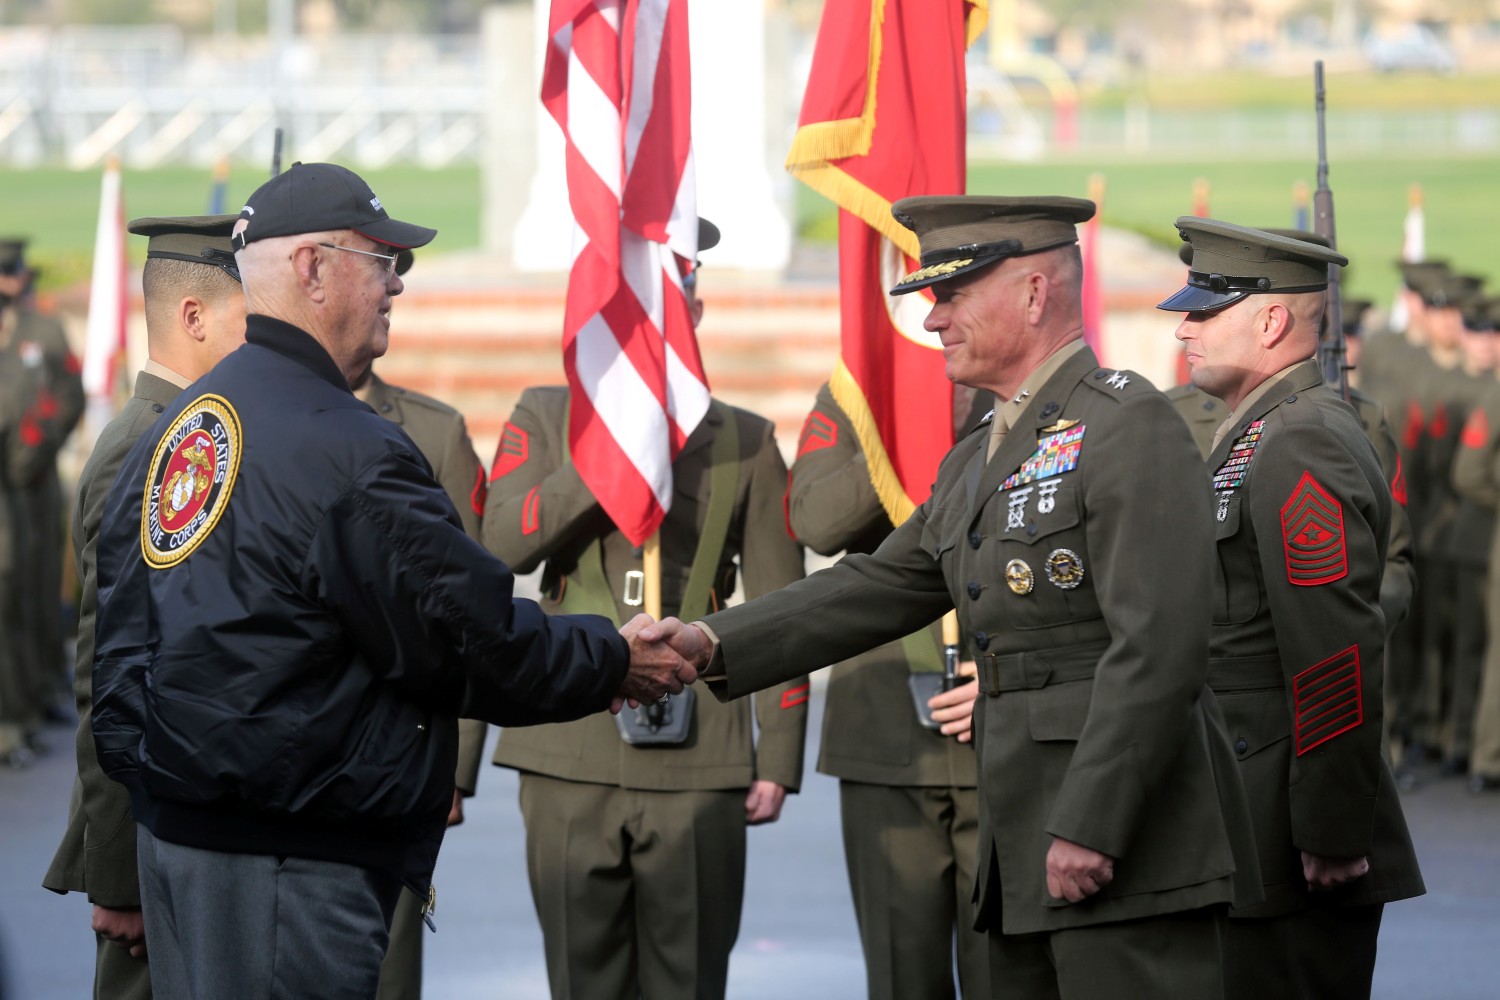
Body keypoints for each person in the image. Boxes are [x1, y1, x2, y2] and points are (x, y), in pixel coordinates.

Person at [88, 162, 692, 999]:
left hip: (185, 843)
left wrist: (158, 788)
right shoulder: (348, 446)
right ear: (312, 268)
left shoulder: (183, 424)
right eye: (382, 261)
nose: (395, 286)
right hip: (291, 863)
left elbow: (117, 640)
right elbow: (468, 640)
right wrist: (614, 661)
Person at [642, 195, 1258, 1000]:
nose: (932, 320)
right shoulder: (983, 452)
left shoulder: (1125, 424)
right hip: (1024, 841)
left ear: (1035, 294)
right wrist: (712, 642)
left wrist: (1092, 824)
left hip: (1119, 840)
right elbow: (886, 582)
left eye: (953, 294)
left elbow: (1158, 653)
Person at [482, 219, 809, 1000]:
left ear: (694, 313)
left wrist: (780, 754)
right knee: (581, 977)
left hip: (704, 751)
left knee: (688, 978)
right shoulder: (544, 415)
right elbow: (499, 549)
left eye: (671, 302)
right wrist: (608, 455)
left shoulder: (746, 441)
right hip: (569, 743)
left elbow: (783, 605)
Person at [1159, 217, 1425, 1000]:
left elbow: (1335, 650)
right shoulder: (1258, 430)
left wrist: (1332, 829)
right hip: (1250, 804)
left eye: (1204, 312)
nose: (1183, 329)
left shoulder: (1300, 439)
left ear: (1272, 320)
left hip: (1290, 830)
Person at [40, 215, 246, 999]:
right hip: (148, 840)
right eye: (250, 320)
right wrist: (119, 876)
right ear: (192, 318)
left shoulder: (192, 435)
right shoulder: (153, 446)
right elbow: (109, 674)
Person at [785, 382, 989, 1000]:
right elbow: (814, 522)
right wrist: (902, 428)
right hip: (886, 739)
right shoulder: (857, 393)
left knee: (1014, 977)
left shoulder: (1025, 388)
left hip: (1004, 733)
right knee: (904, 978)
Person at [355, 251, 490, 1000]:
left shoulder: (435, 435)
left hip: (398, 758)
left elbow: (468, 615)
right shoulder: (234, 417)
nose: (392, 290)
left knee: (387, 972)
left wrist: (455, 763)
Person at [0, 237, 85, 759]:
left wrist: (35, 453)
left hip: (32, 481)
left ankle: (31, 698)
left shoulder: (44, 332)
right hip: (7, 483)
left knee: (31, 590)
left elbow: (68, 397)